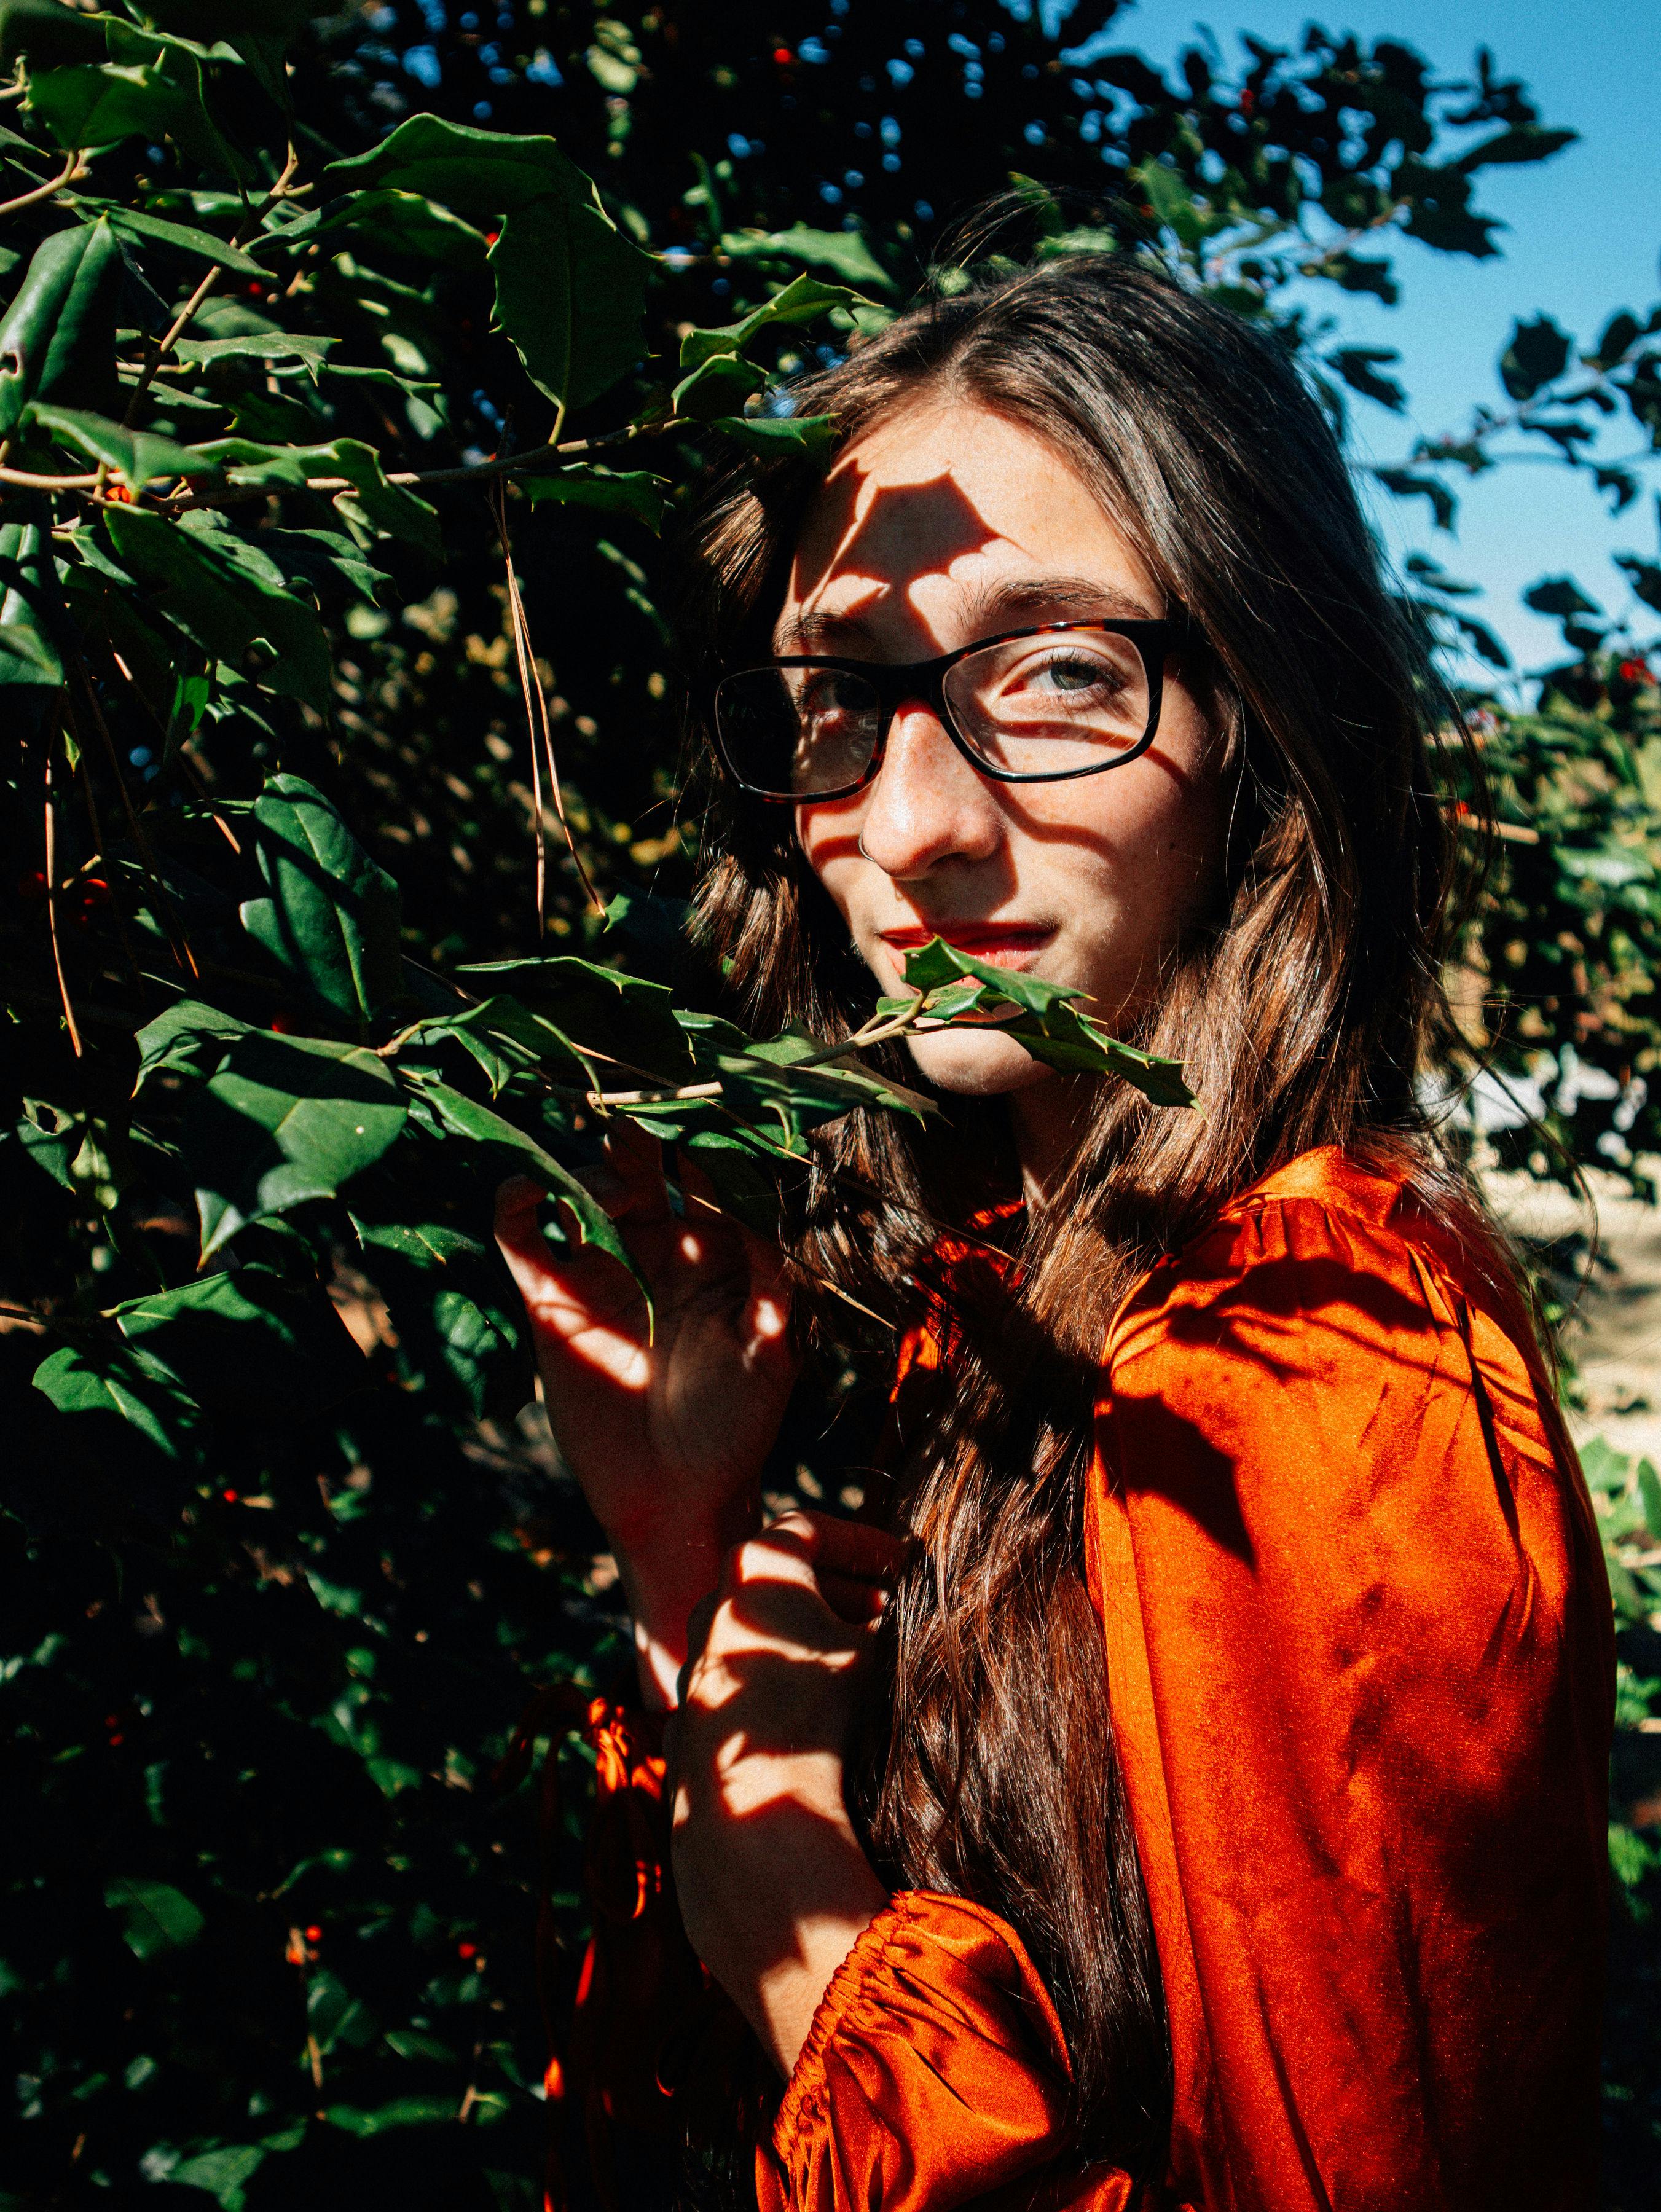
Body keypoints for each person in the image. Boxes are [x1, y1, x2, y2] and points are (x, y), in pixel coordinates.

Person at [495, 255, 1614, 2211]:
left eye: (1059, 673)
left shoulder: (1307, 1357)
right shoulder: (1005, 1300)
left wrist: (816, 1955)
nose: (912, 824)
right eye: (841, 697)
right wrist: (686, 1559)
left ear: (1261, 719)